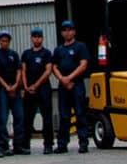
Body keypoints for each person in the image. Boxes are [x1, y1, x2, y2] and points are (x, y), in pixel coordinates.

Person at [51, 21, 90, 154]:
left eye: (69, 29)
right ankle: (62, 144)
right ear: (62, 33)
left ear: (74, 31)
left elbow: (83, 65)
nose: (67, 32)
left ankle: (83, 143)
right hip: (63, 86)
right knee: (64, 115)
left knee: (80, 113)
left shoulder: (80, 46)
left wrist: (70, 78)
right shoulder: (58, 49)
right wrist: (62, 79)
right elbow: (54, 67)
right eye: (64, 30)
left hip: (76, 84)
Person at [20, 28, 54, 155]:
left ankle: (48, 145)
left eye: (39, 37)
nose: (37, 39)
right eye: (34, 37)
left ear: (42, 38)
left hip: (43, 88)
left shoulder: (47, 53)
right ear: (31, 38)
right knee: (27, 118)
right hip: (29, 90)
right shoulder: (26, 54)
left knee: (47, 118)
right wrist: (26, 86)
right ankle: (25, 145)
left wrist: (36, 85)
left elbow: (48, 70)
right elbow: (23, 70)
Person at [0, 31, 25, 156]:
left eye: (6, 40)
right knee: (2, 118)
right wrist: (6, 87)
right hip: (2, 90)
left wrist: (16, 85)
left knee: (19, 117)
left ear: (9, 41)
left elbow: (19, 70)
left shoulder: (14, 54)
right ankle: (4, 146)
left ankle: (18, 145)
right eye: (2, 40)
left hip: (15, 89)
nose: (4, 42)